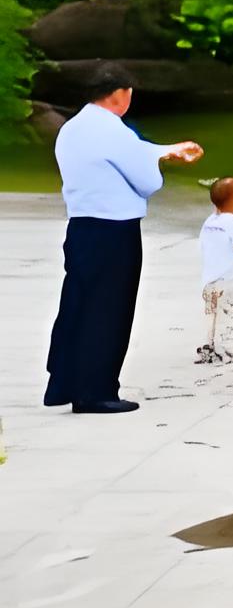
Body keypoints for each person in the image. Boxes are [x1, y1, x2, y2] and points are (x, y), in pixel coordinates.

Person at [44, 69, 201, 413]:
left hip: (82, 226)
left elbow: (126, 153)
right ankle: (96, 391)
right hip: (114, 230)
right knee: (109, 309)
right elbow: (148, 181)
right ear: (119, 94)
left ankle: (66, 383)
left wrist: (168, 150)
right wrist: (159, 162)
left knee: (80, 304)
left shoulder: (74, 127)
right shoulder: (114, 131)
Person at [196, 178, 233, 366]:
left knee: (211, 315)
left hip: (210, 279)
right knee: (231, 315)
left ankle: (208, 348)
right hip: (231, 280)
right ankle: (229, 351)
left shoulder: (211, 221)